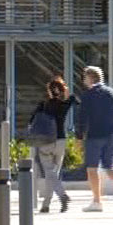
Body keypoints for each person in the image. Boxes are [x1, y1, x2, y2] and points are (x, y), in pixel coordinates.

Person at [73, 65, 113, 212]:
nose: (84, 81)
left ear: (90, 78)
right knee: (109, 167)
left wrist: (78, 137)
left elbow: (82, 118)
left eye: (85, 77)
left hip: (94, 136)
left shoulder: (88, 95)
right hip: (111, 135)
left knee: (92, 168)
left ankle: (97, 201)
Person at [26, 76, 73, 213]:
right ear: (63, 90)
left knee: (50, 173)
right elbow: (73, 99)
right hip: (61, 141)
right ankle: (46, 205)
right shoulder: (66, 104)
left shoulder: (43, 105)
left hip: (46, 142)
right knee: (53, 174)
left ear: (49, 91)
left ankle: (62, 195)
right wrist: (66, 92)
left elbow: (31, 122)